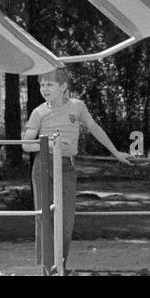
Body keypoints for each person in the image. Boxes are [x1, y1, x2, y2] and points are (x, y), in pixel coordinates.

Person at [22, 67, 130, 271]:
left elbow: (95, 128)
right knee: (45, 218)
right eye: (42, 85)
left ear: (63, 87)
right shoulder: (39, 112)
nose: (45, 89)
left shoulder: (77, 107)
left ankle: (60, 266)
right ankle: (47, 268)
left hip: (67, 166)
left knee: (65, 220)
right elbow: (26, 144)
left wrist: (116, 153)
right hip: (44, 165)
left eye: (49, 84)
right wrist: (49, 144)